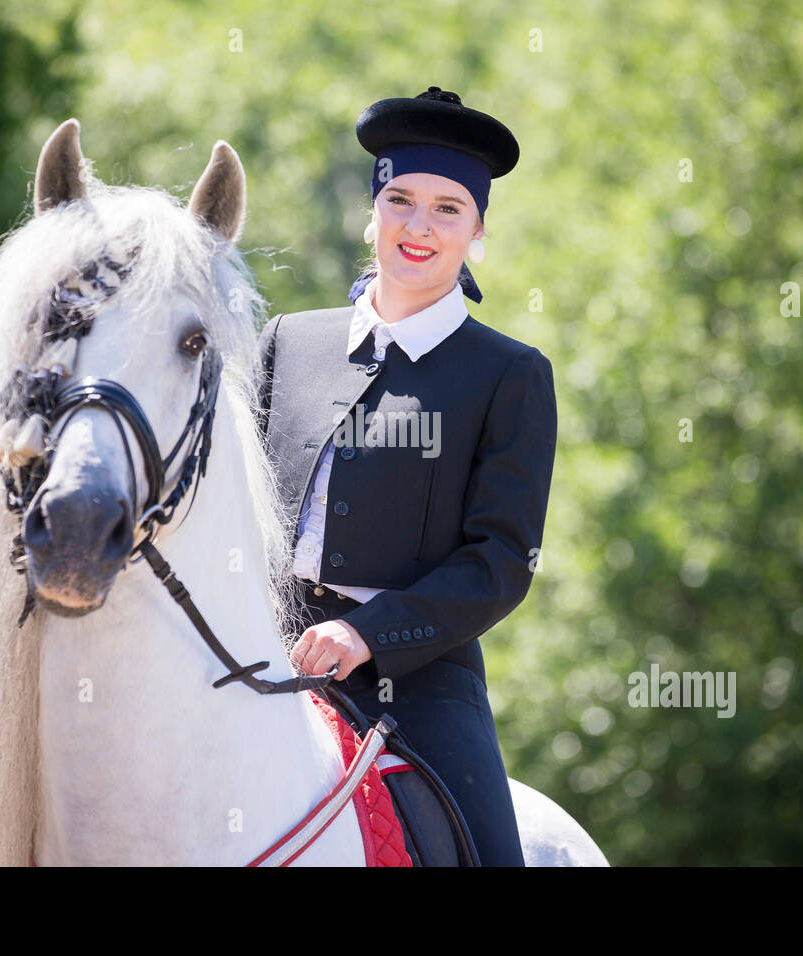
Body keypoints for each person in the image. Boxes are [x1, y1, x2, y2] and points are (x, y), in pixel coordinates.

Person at [256, 86, 556, 866]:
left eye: (448, 209)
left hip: (418, 683)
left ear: (478, 230)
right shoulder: (288, 341)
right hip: (255, 653)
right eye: (400, 199)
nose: (419, 226)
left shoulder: (510, 374)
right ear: (372, 212)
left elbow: (500, 565)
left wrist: (365, 631)